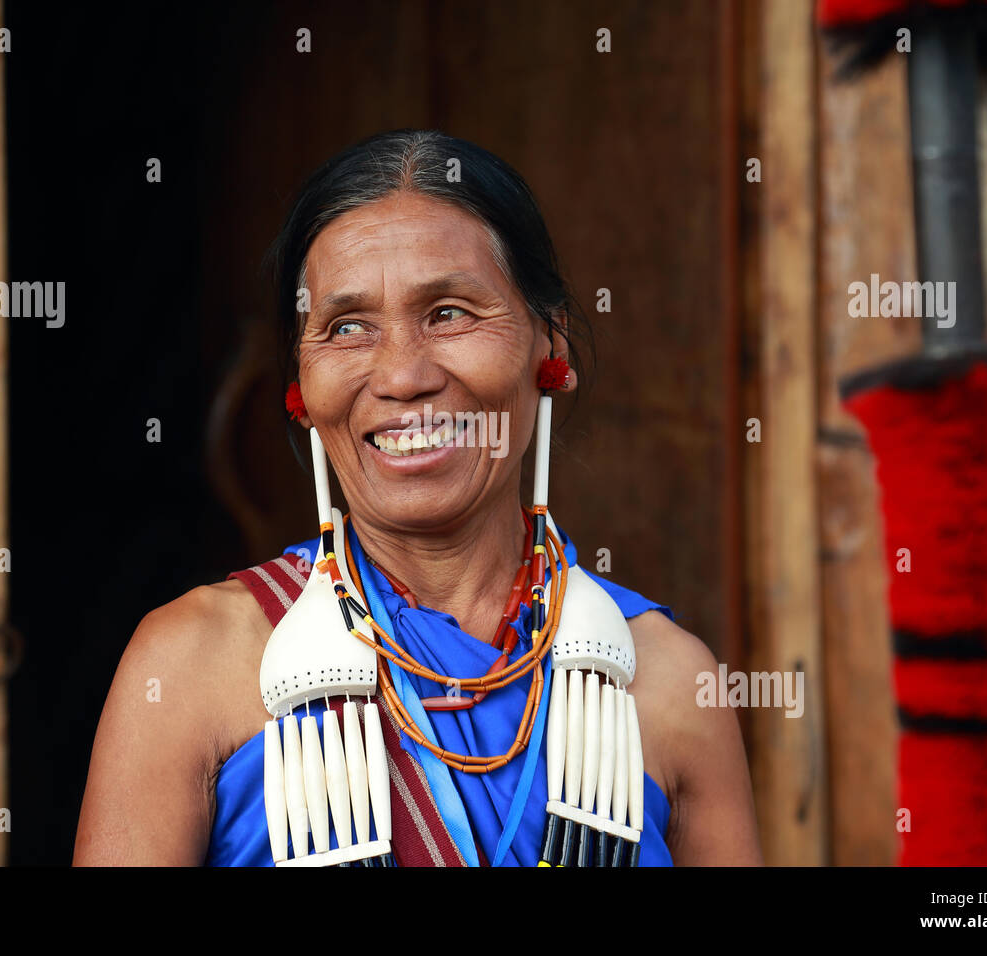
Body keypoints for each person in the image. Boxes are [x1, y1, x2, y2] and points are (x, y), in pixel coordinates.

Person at [73, 129, 762, 866]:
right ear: (302, 390)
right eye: (347, 328)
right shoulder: (189, 668)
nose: (403, 376)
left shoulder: (665, 683)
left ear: (549, 346)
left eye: (450, 313)